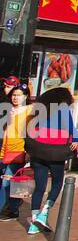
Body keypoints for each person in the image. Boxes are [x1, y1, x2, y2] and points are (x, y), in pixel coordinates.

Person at [25, 86, 78, 234]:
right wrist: (76, 138)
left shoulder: (39, 108)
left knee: (39, 187)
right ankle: (44, 214)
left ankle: (34, 222)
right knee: (57, 183)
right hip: (55, 152)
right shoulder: (62, 108)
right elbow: (70, 126)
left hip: (38, 151)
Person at [1, 83, 33, 221]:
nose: (15, 98)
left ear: (25, 97)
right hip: (4, 151)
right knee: (7, 183)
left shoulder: (30, 111)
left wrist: (29, 151)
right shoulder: (7, 110)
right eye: (14, 95)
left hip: (18, 152)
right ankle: (12, 207)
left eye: (18, 95)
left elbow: (32, 133)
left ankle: (12, 210)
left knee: (7, 183)